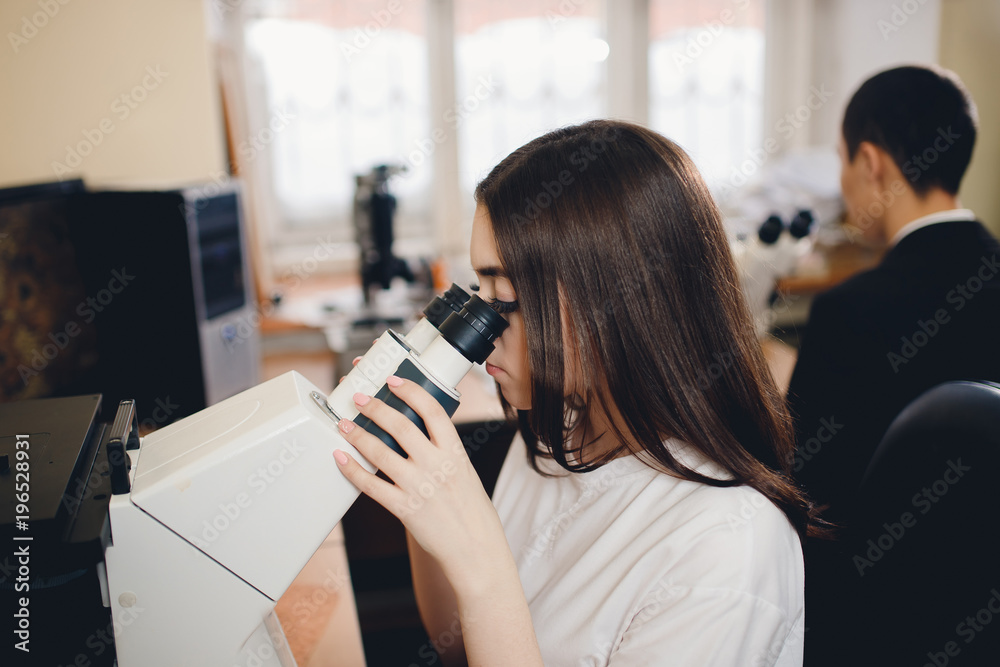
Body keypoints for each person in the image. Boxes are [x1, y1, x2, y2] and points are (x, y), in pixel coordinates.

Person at [333, 120, 820, 665]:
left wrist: (486, 570)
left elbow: (490, 599)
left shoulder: (725, 550)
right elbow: (458, 644)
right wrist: (419, 494)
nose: (484, 333)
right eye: (480, 292)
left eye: (508, 298)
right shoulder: (556, 433)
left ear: (619, 301)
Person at [785, 65, 1000, 666]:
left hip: (879, 625)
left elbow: (807, 494)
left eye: (842, 160)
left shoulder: (848, 313)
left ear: (871, 163)